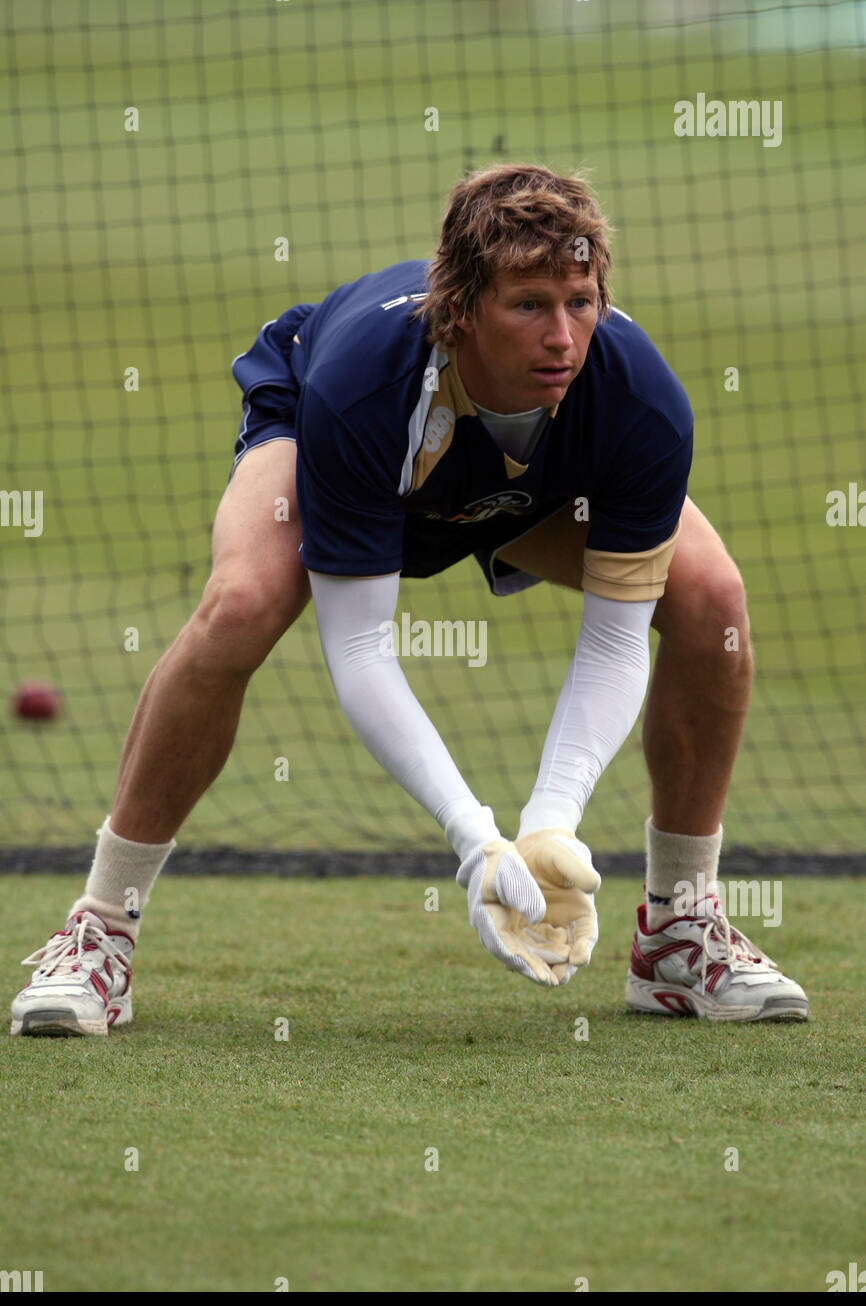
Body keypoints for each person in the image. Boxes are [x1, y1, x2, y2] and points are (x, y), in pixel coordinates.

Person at [10, 163, 808, 1036]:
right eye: (529, 304)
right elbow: (360, 650)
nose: (563, 337)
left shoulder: (638, 400)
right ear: (461, 307)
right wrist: (475, 840)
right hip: (364, 446)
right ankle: (100, 930)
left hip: (534, 487)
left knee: (713, 599)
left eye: (581, 301)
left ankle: (678, 934)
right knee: (241, 603)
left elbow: (617, 643)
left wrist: (547, 827)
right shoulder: (361, 386)